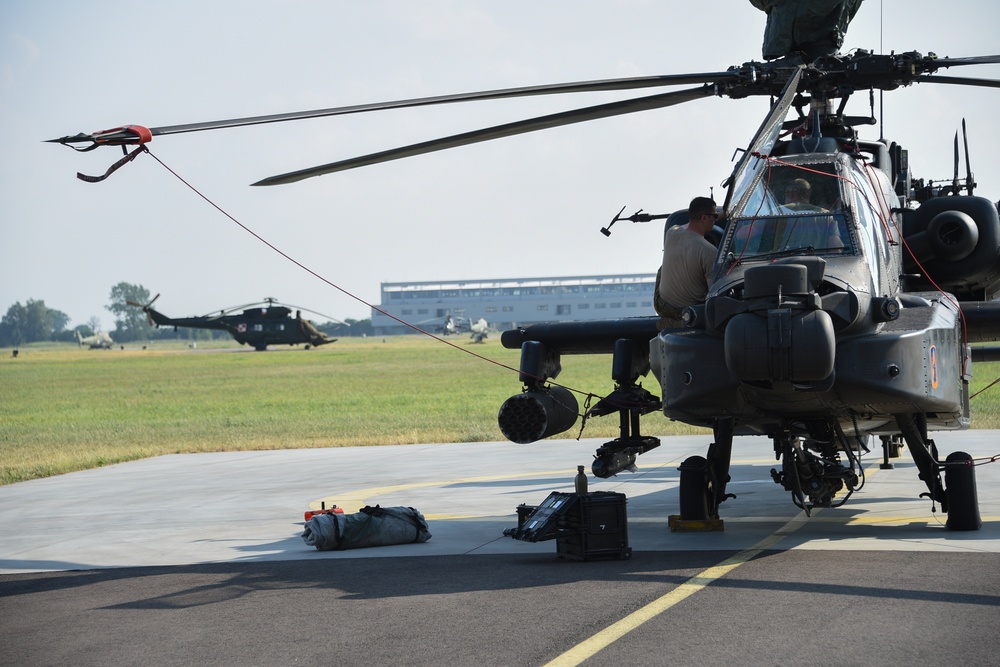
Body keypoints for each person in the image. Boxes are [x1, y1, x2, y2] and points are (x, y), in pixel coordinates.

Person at [655, 197, 718, 328]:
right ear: (704, 218)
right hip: (687, 311)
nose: (716, 219)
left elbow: (687, 228)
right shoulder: (709, 251)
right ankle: (679, 322)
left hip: (661, 304)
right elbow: (712, 292)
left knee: (662, 269)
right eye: (715, 215)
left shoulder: (672, 232)